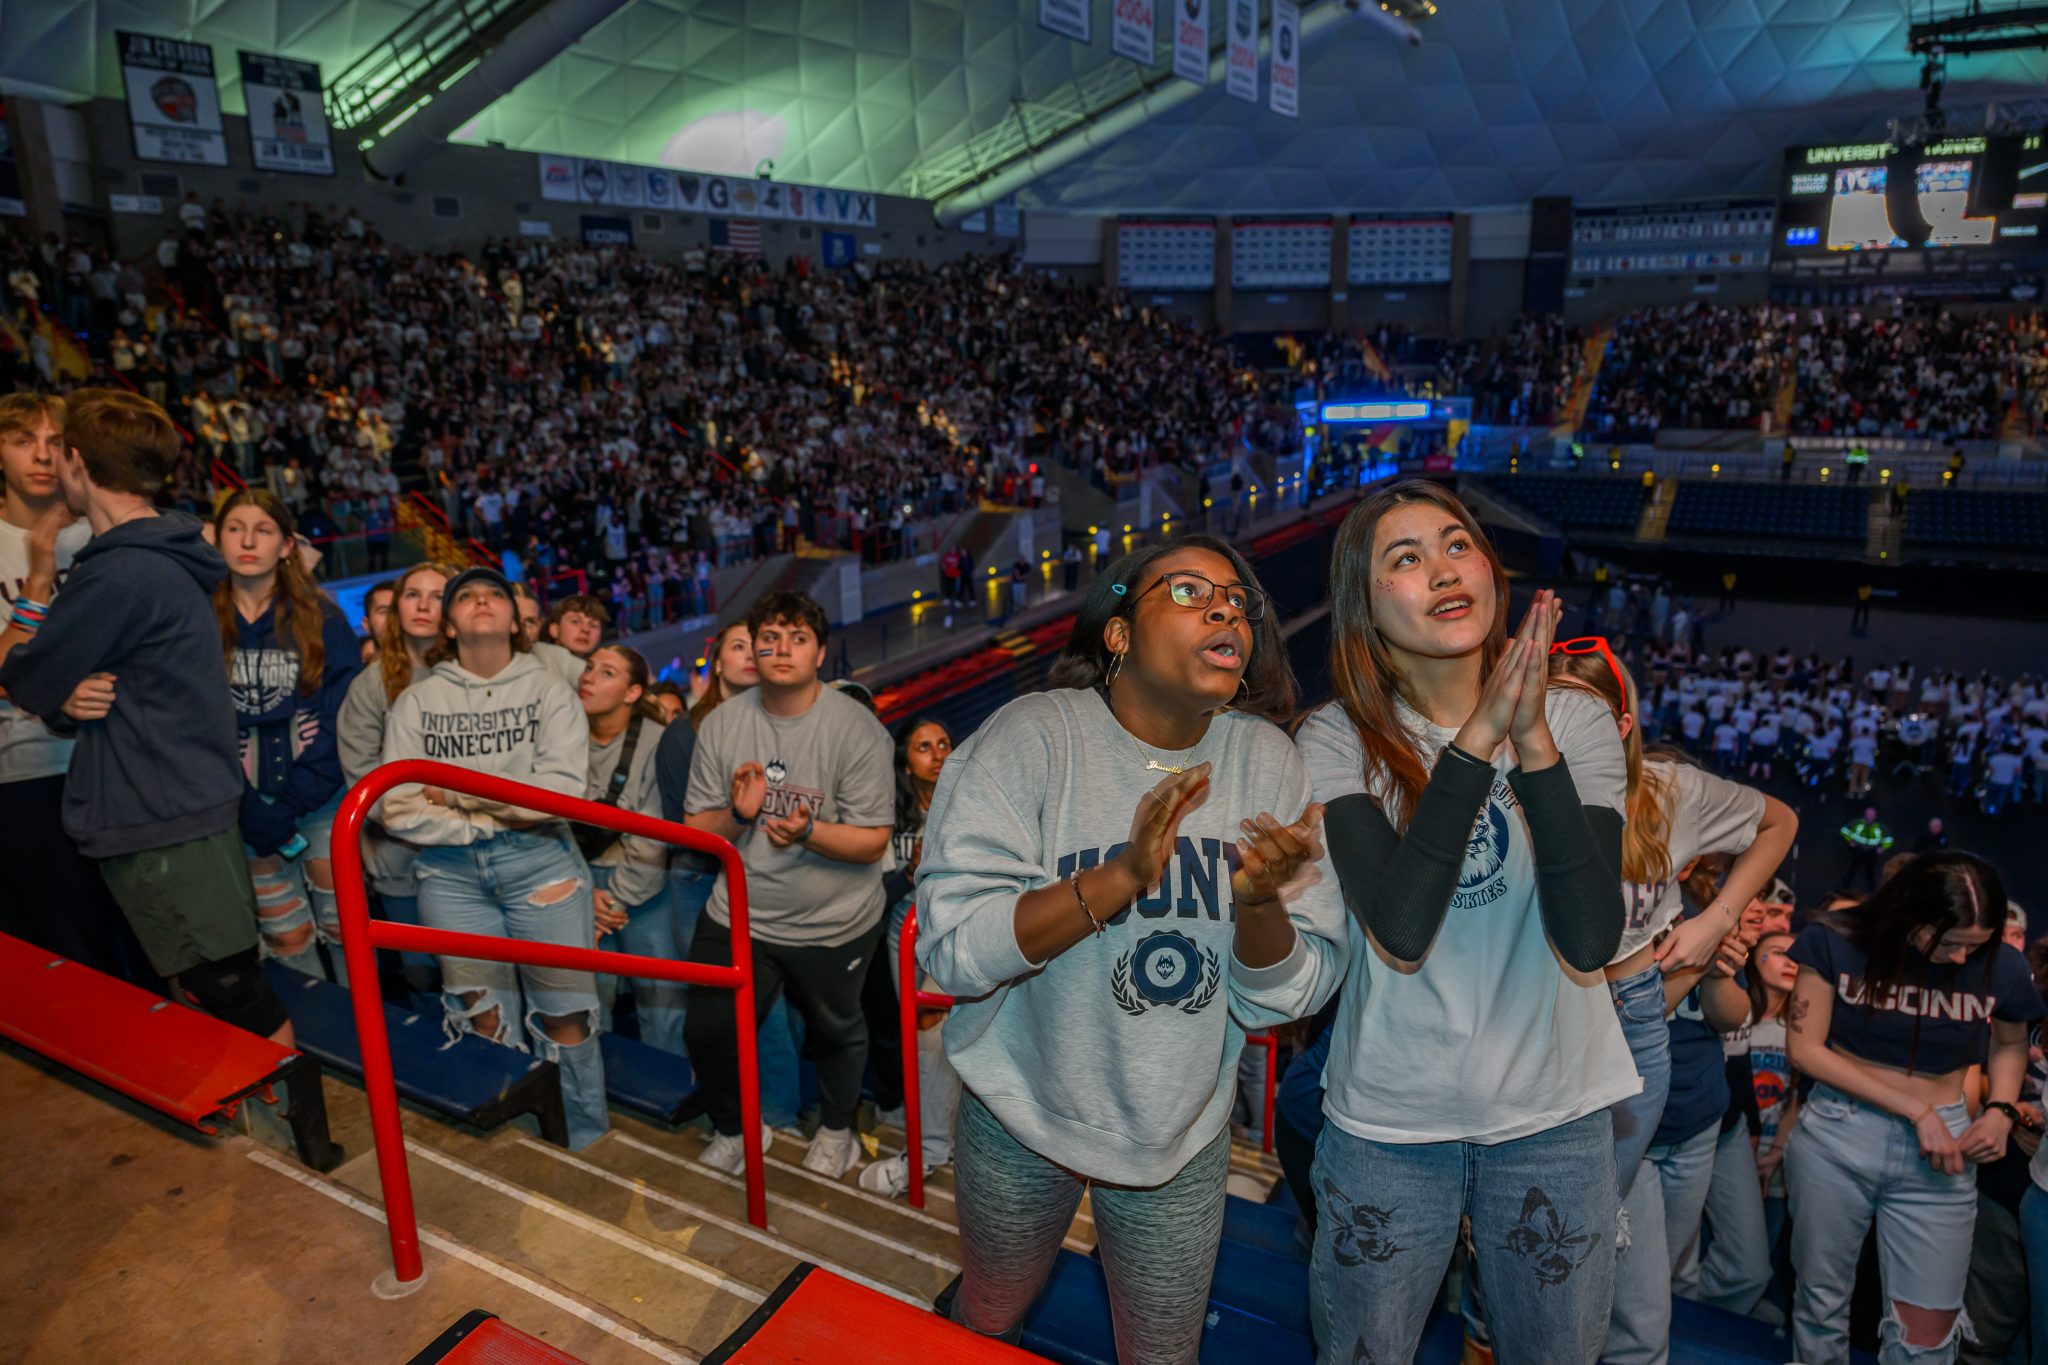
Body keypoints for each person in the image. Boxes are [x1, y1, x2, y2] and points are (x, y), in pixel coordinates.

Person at [916, 536, 1340, 1362]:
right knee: (991, 1309)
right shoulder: (1032, 737)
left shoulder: (1265, 760)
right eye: (1188, 591)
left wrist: (1257, 904)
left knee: (1161, 1351)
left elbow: (1282, 998)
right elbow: (954, 949)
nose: (1226, 609)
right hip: (1021, 1106)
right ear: (1116, 631)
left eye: (1236, 600)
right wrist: (1120, 877)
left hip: (1177, 1130)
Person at [1294, 481, 1631, 1365]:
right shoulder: (1334, 740)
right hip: (1391, 1123)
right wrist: (1476, 744)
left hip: (1556, 1112)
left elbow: (1592, 936)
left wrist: (1534, 745)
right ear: (1362, 605)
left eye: (1456, 545)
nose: (1442, 569)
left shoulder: (1578, 719)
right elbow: (1403, 925)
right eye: (1403, 558)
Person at [0, 390, 292, 1045]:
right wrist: (72, 702)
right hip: (162, 797)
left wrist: (42, 582)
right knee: (201, 981)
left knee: (227, 986)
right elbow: (118, 685)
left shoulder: (119, 572)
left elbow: (26, 674)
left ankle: (303, 1135)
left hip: (162, 812)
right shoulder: (162, 550)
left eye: (55, 448)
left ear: (78, 463)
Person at [1548, 646, 1797, 1228]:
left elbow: (1779, 821)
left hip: (1633, 1022)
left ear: (1622, 725)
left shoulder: (1667, 792)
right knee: (1528, 1220)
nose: (1561, 728)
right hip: (1536, 1020)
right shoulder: (1509, 787)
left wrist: (1716, 921)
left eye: (1582, 713)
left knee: (1596, 1216)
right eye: (1546, 707)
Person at [376, 565, 610, 1149]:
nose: (481, 602)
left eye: (494, 596)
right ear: (449, 625)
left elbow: (556, 795)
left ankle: (582, 1141)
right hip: (450, 876)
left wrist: (453, 792)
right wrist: (493, 811)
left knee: (566, 1017)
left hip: (540, 865)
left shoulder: (548, 692)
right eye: (466, 597)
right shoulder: (418, 700)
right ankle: (515, 1142)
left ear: (514, 618)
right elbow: (395, 806)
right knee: (482, 1019)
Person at [1785, 851, 2042, 1365]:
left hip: (1946, 1146)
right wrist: (1914, 1110)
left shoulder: (2002, 963)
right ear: (1906, 914)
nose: (1962, 959)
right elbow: (1806, 1049)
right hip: (1840, 1128)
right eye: (1948, 942)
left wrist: (2000, 1110)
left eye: (1976, 945)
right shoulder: (1837, 939)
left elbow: (2011, 1043)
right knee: (1821, 1302)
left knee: (1929, 1329)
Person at [681, 591, 895, 1177]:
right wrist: (740, 813)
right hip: (740, 913)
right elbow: (697, 827)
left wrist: (806, 832)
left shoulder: (856, 730)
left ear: (820, 652)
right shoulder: (723, 723)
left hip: (834, 920)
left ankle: (836, 1130)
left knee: (836, 1032)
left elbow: (874, 839)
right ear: (752, 648)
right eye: (768, 638)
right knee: (706, 1032)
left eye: (797, 639)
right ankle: (733, 1129)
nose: (781, 650)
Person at [0, 392, 154, 985]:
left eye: (52, 440)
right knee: (75, 948)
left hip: (124, 755)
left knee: (147, 936)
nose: (41, 456)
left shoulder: (108, 530)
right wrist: (39, 581)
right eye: (22, 441)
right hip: (30, 769)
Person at [653, 617, 803, 1133]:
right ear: (717, 662)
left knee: (771, 1010)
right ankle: (727, 1119)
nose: (750, 654)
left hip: (765, 884)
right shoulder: (683, 734)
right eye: (737, 646)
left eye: (757, 647)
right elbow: (681, 824)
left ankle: (779, 1117)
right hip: (699, 881)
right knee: (709, 1011)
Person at [212, 489, 363, 981]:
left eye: (263, 530)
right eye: (235, 528)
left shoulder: (324, 618)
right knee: (286, 936)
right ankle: (313, 1051)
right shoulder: (198, 620)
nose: (248, 540)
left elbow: (343, 719)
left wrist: (291, 801)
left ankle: (365, 1048)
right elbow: (194, 725)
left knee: (346, 930)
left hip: (318, 804)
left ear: (285, 545)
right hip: (243, 808)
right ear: (216, 539)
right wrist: (250, 808)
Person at [337, 559, 458, 1008]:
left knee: (475, 972)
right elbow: (362, 773)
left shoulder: (473, 675)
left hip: (468, 851)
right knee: (423, 976)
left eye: (437, 596)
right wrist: (421, 812)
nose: (424, 605)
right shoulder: (369, 686)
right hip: (398, 853)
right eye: (412, 595)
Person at [860, 715, 961, 1199]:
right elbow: (871, 891)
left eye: (944, 743)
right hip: (905, 924)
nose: (939, 753)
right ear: (904, 761)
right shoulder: (889, 812)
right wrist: (911, 871)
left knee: (950, 1034)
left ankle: (940, 1144)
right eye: (924, 747)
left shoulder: (968, 802)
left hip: (957, 924)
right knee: (926, 1033)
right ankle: (932, 1146)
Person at [578, 644, 682, 1055]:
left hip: (643, 888)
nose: (589, 676)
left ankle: (668, 1090)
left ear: (633, 693)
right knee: (588, 1001)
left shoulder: (658, 743)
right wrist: (583, 889)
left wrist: (611, 902)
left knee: (662, 1004)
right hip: (579, 883)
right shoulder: (561, 733)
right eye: (588, 668)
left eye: (606, 673)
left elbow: (652, 839)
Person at [1840, 806, 1893, 892]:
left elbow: (1889, 839)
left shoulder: (1880, 826)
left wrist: (1882, 848)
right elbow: (1844, 830)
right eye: (1868, 813)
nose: (1870, 815)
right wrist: (1850, 840)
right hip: (1858, 849)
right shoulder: (1857, 822)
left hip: (1872, 852)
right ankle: (1844, 887)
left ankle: (1871, 890)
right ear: (1865, 813)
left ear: (1875, 815)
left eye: (1872, 814)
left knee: (1870, 871)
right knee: (1852, 868)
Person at [359, 579, 396, 665]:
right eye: (384, 612)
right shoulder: (361, 678)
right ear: (366, 624)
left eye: (398, 611)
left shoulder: (430, 673)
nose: (393, 618)